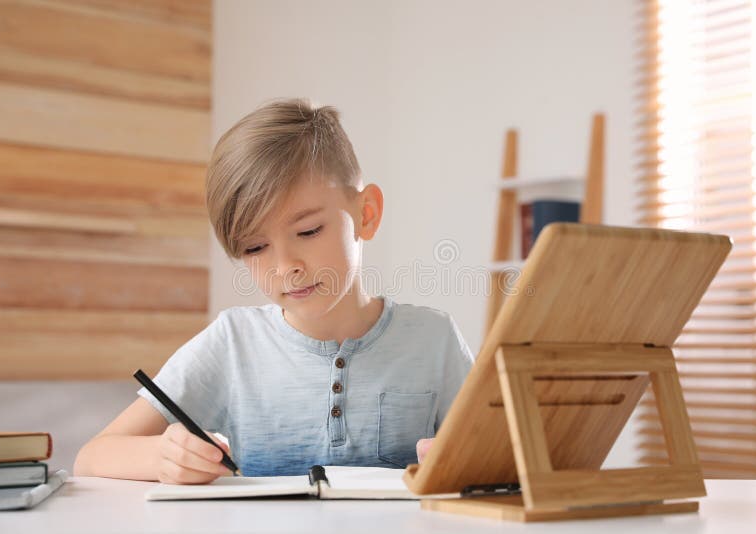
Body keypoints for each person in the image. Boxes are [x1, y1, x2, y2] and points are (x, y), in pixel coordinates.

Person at [74, 98, 474, 484]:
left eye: (308, 231)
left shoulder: (434, 340)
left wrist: (469, 460)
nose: (286, 267)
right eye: (255, 247)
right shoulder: (232, 343)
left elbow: (506, 457)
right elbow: (92, 456)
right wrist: (164, 456)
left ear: (365, 214)